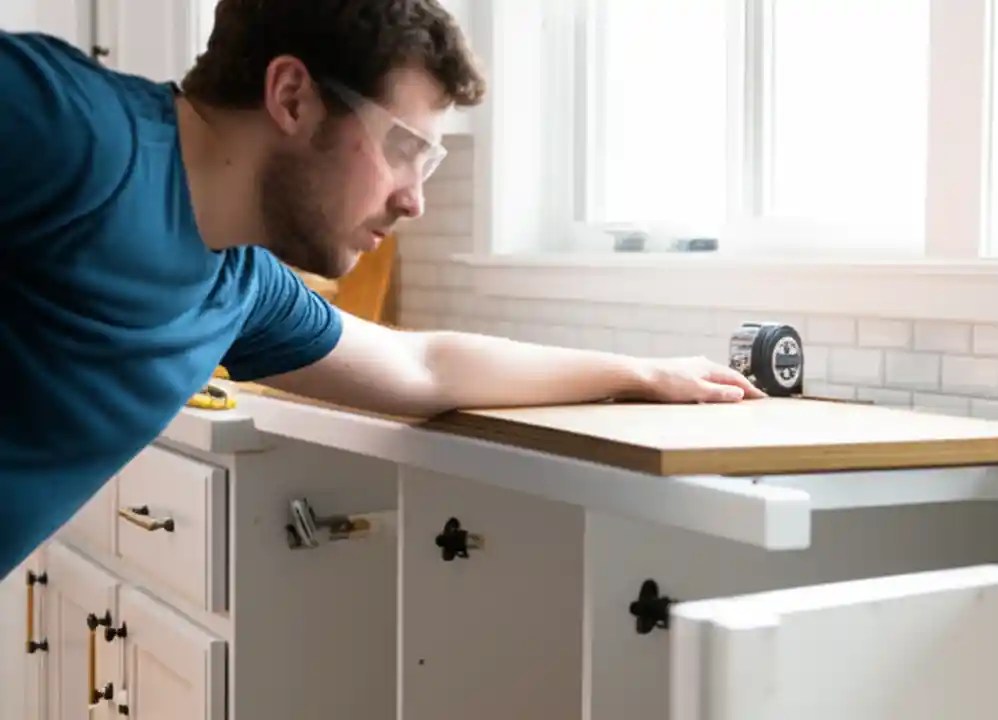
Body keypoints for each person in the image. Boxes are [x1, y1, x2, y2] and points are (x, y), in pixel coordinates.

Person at [0, 0, 764, 580]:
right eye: (405, 149)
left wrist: (638, 373)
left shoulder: (236, 286)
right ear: (292, 97)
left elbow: (423, 368)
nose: (414, 200)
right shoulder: (73, 129)